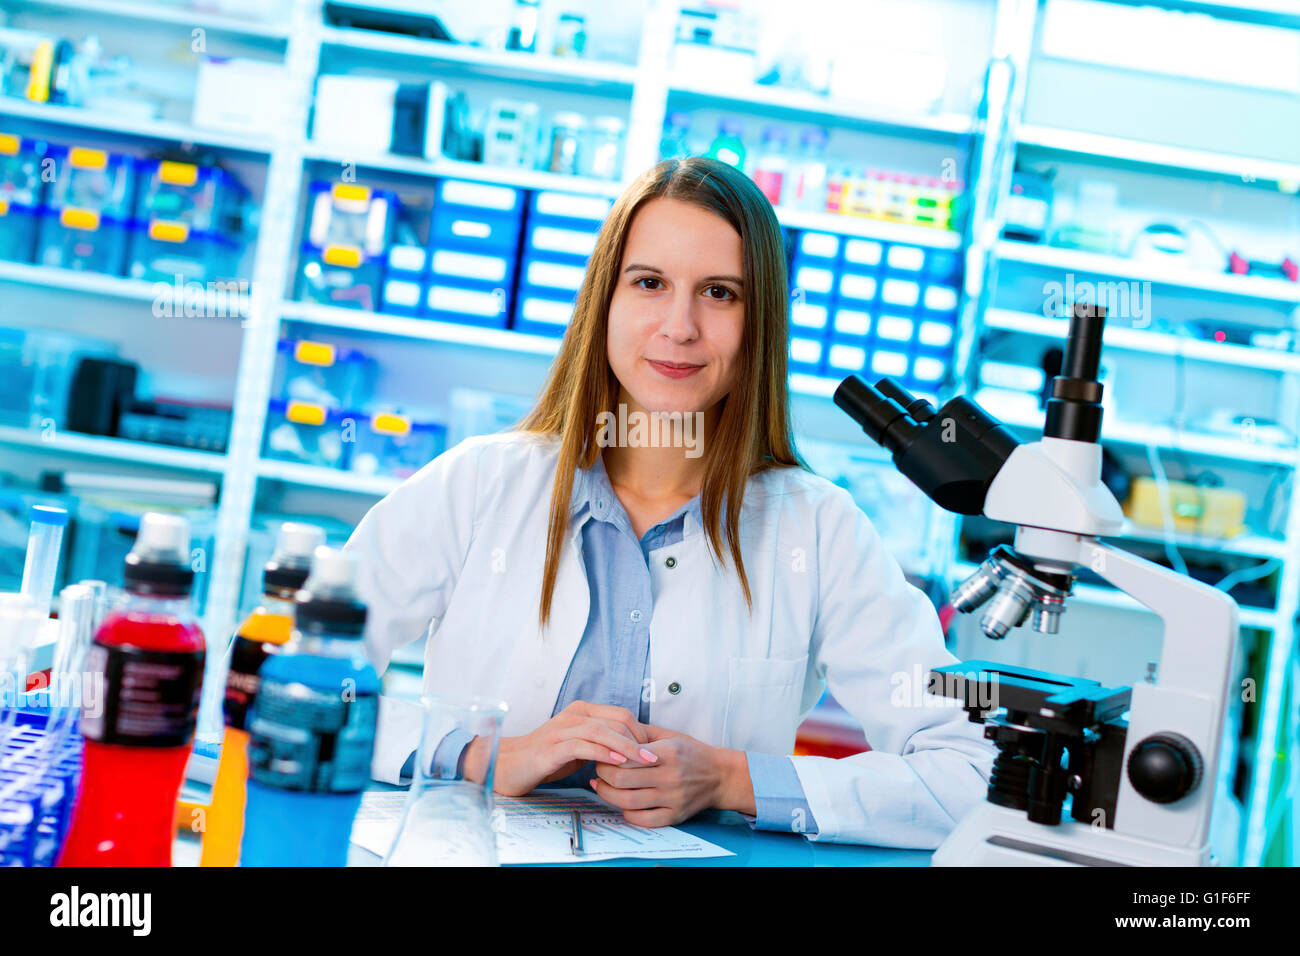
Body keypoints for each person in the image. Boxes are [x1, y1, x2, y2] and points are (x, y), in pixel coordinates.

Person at [345, 156, 995, 847]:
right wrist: (481, 756)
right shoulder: (478, 485)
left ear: (760, 323)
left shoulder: (819, 530)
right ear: (604, 301)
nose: (680, 326)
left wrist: (731, 779)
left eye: (719, 293)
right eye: (649, 283)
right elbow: (289, 676)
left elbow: (974, 773)